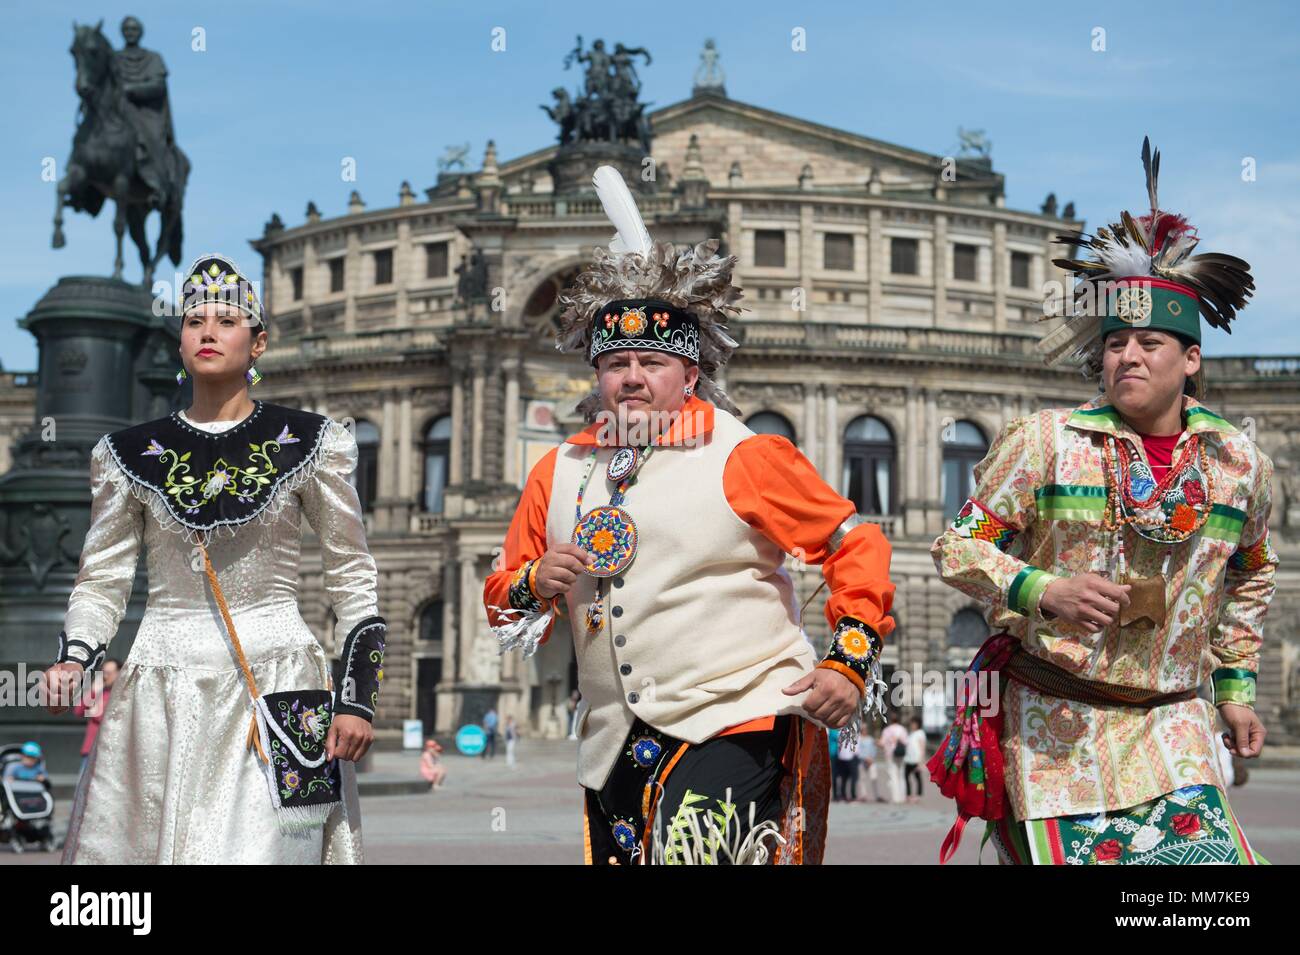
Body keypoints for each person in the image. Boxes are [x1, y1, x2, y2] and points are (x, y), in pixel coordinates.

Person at [484, 167, 896, 865]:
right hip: (614, 742)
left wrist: (849, 662)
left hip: (739, 716)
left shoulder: (746, 454)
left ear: (690, 374)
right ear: (596, 376)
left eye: (651, 360)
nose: (633, 376)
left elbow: (853, 542)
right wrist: (535, 581)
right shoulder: (556, 471)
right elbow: (501, 598)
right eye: (616, 361)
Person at [930, 139, 1272, 865]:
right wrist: (1042, 586)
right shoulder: (1044, 442)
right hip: (1056, 727)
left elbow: (1252, 571)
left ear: (1192, 359)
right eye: (1117, 341)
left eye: (1152, 342)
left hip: (1173, 724)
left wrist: (1235, 684)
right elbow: (956, 546)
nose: (1129, 356)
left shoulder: (1241, 464)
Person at [42, 253, 386, 864]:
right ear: (179, 344)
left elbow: (352, 576)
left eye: (226, 321)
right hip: (161, 684)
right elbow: (101, 580)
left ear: (258, 344)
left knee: (268, 854)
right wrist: (76, 655)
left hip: (280, 687)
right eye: (194, 320)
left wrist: (356, 698)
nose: (206, 331)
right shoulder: (127, 453)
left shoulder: (311, 442)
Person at [72, 658, 119, 777]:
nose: (104, 677)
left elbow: (109, 718)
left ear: (118, 673)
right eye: (103, 673)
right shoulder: (99, 692)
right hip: (90, 750)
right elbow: (78, 711)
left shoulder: (120, 695)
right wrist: (93, 692)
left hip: (110, 751)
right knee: (83, 791)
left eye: (108, 673)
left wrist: (95, 713)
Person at [879, 713, 907, 804]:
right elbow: (906, 742)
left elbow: (882, 743)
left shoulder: (887, 730)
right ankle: (902, 797)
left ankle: (895, 798)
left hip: (890, 755)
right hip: (901, 755)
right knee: (901, 775)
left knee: (893, 776)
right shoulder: (902, 729)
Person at [903, 717, 926, 803]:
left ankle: (918, 795)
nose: (913, 725)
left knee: (917, 778)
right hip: (908, 758)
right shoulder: (911, 733)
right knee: (906, 776)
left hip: (916, 759)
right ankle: (908, 795)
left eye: (914, 723)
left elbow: (922, 747)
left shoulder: (920, 733)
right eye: (912, 723)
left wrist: (921, 761)